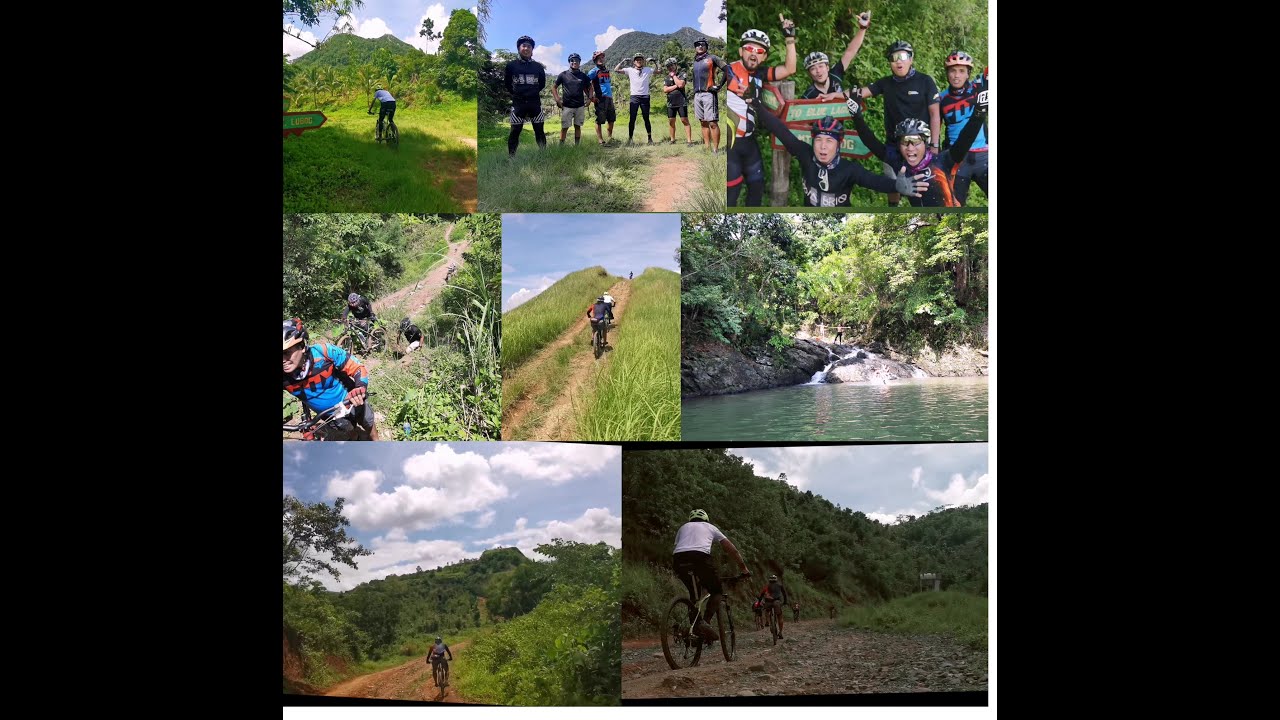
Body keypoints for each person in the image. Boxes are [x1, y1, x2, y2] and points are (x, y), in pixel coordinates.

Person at [752, 94, 926, 206]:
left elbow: (873, 181)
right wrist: (758, 107)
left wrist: (896, 185)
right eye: (818, 140)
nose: (823, 146)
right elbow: (781, 131)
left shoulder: (849, 169)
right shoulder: (805, 154)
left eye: (829, 140)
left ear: (839, 144)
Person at [845, 89, 984, 206]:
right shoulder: (900, 164)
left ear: (926, 142)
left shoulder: (944, 161)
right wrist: (856, 116)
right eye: (905, 141)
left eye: (915, 141)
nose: (910, 148)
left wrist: (979, 112)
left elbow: (966, 138)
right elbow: (872, 143)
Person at [851, 40, 941, 206]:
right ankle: (894, 208)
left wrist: (934, 144)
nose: (899, 61)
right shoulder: (885, 83)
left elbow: (935, 114)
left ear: (911, 59)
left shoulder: (925, 81)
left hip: (921, 144)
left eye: (903, 56)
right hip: (894, 144)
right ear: (890, 62)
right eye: (894, 58)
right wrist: (834, 96)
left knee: (926, 184)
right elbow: (857, 94)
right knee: (892, 181)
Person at [725, 17, 798, 206]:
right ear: (741, 51)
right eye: (749, 49)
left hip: (750, 141)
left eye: (759, 51)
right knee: (731, 193)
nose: (753, 54)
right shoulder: (727, 70)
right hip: (729, 144)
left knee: (756, 189)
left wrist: (789, 39)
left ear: (764, 57)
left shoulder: (760, 73)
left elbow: (790, 69)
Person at [283, 319, 379, 440]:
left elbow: (357, 367)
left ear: (302, 346)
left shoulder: (324, 352)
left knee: (368, 423)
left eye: (287, 353)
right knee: (349, 432)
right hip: (330, 415)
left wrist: (360, 387)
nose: (283, 359)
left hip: (351, 400)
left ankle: (377, 443)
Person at [673, 509, 750, 643]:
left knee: (693, 596)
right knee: (717, 591)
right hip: (700, 558)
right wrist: (743, 568)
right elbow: (731, 549)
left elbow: (679, 547)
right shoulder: (711, 527)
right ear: (706, 519)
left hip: (679, 559)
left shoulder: (683, 527)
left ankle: (695, 628)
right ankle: (705, 623)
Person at [938, 50, 989, 205]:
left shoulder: (978, 87)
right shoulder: (941, 99)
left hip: (984, 155)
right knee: (952, 207)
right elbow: (934, 129)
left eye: (961, 71)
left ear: (968, 74)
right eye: (952, 71)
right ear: (947, 73)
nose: (956, 75)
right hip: (957, 159)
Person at [801, 10, 871, 101]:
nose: (818, 71)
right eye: (813, 68)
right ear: (809, 73)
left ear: (827, 67)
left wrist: (863, 28)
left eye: (821, 66)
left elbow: (850, 52)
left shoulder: (835, 75)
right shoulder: (808, 96)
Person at [505, 35, 548, 155]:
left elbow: (542, 84)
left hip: (535, 103)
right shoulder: (511, 66)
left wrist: (531, 93)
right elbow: (507, 83)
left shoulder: (538, 67)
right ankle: (511, 158)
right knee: (515, 131)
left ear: (532, 49)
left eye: (529, 46)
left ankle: (543, 155)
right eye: (523, 45)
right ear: (519, 48)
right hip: (518, 103)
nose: (526, 48)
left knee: (539, 130)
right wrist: (518, 93)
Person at [690, 37, 731, 153]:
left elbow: (728, 69)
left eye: (702, 44)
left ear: (706, 46)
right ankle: (707, 147)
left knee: (712, 122)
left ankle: (715, 150)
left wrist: (719, 86)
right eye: (697, 44)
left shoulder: (712, 58)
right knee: (703, 121)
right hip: (697, 95)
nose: (700, 46)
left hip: (709, 94)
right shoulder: (695, 61)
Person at [553, 53, 595, 145]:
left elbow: (590, 87)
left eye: (577, 60)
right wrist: (557, 100)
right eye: (572, 60)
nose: (574, 62)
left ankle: (577, 146)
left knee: (577, 126)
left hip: (579, 106)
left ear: (579, 62)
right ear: (569, 62)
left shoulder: (583, 76)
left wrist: (589, 98)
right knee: (565, 127)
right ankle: (561, 147)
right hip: (567, 106)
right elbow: (554, 87)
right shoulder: (563, 75)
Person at [614, 53, 656, 145]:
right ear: (634, 62)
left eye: (640, 59)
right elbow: (616, 70)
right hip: (634, 97)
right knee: (632, 118)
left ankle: (649, 139)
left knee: (646, 118)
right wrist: (623, 61)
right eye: (637, 60)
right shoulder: (630, 70)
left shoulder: (648, 69)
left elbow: (659, 71)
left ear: (643, 61)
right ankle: (630, 139)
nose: (639, 61)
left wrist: (655, 62)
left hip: (645, 96)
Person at [586, 51, 618, 145]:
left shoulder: (606, 70)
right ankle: (600, 140)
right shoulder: (593, 71)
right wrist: (591, 97)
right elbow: (586, 84)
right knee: (599, 120)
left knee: (611, 119)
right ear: (595, 60)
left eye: (602, 57)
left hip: (609, 98)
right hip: (600, 98)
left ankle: (609, 138)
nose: (601, 59)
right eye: (598, 58)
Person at [662, 58, 692, 144]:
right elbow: (665, 90)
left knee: (684, 120)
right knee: (671, 121)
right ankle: (672, 140)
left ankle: (689, 141)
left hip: (681, 101)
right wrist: (676, 86)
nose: (670, 67)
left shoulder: (682, 74)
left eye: (672, 65)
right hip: (670, 102)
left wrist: (674, 76)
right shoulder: (666, 78)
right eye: (668, 66)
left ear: (676, 65)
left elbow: (681, 84)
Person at [757, 573, 791, 638]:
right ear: (776, 580)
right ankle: (780, 632)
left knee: (767, 611)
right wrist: (785, 602)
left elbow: (761, 595)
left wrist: (758, 603)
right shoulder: (780, 585)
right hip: (777, 602)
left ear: (769, 580)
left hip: (768, 602)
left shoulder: (766, 586)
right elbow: (784, 594)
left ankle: (768, 621)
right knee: (780, 616)